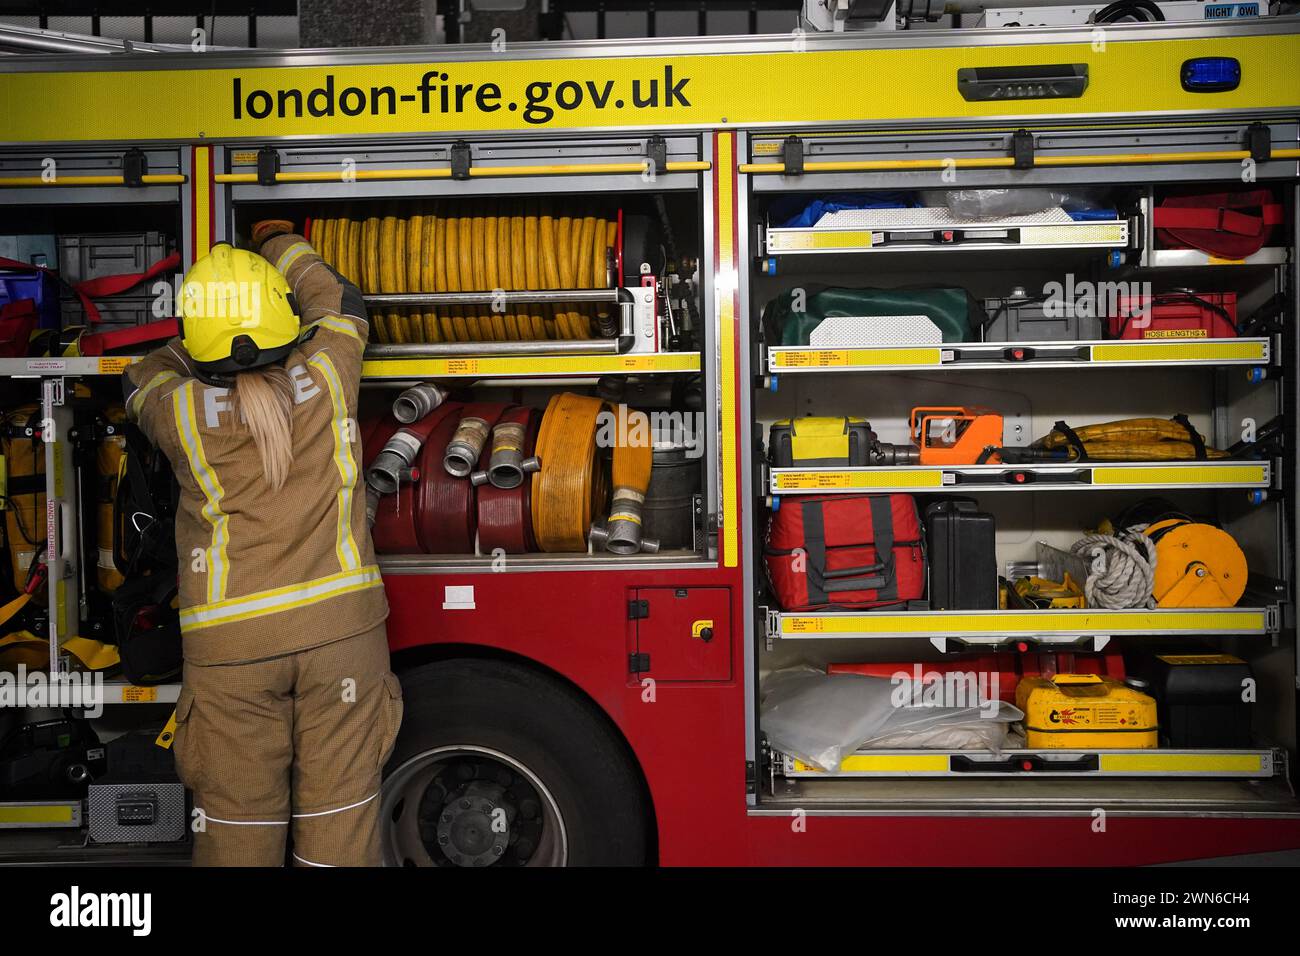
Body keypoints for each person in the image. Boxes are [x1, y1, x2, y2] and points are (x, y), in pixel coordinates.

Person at [123, 224, 401, 866]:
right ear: (283, 318)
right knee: (339, 829)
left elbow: (143, 374)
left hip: (230, 653)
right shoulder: (330, 372)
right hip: (342, 642)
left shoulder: (178, 411)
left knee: (236, 837)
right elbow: (339, 299)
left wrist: (209, 338)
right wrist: (278, 240)